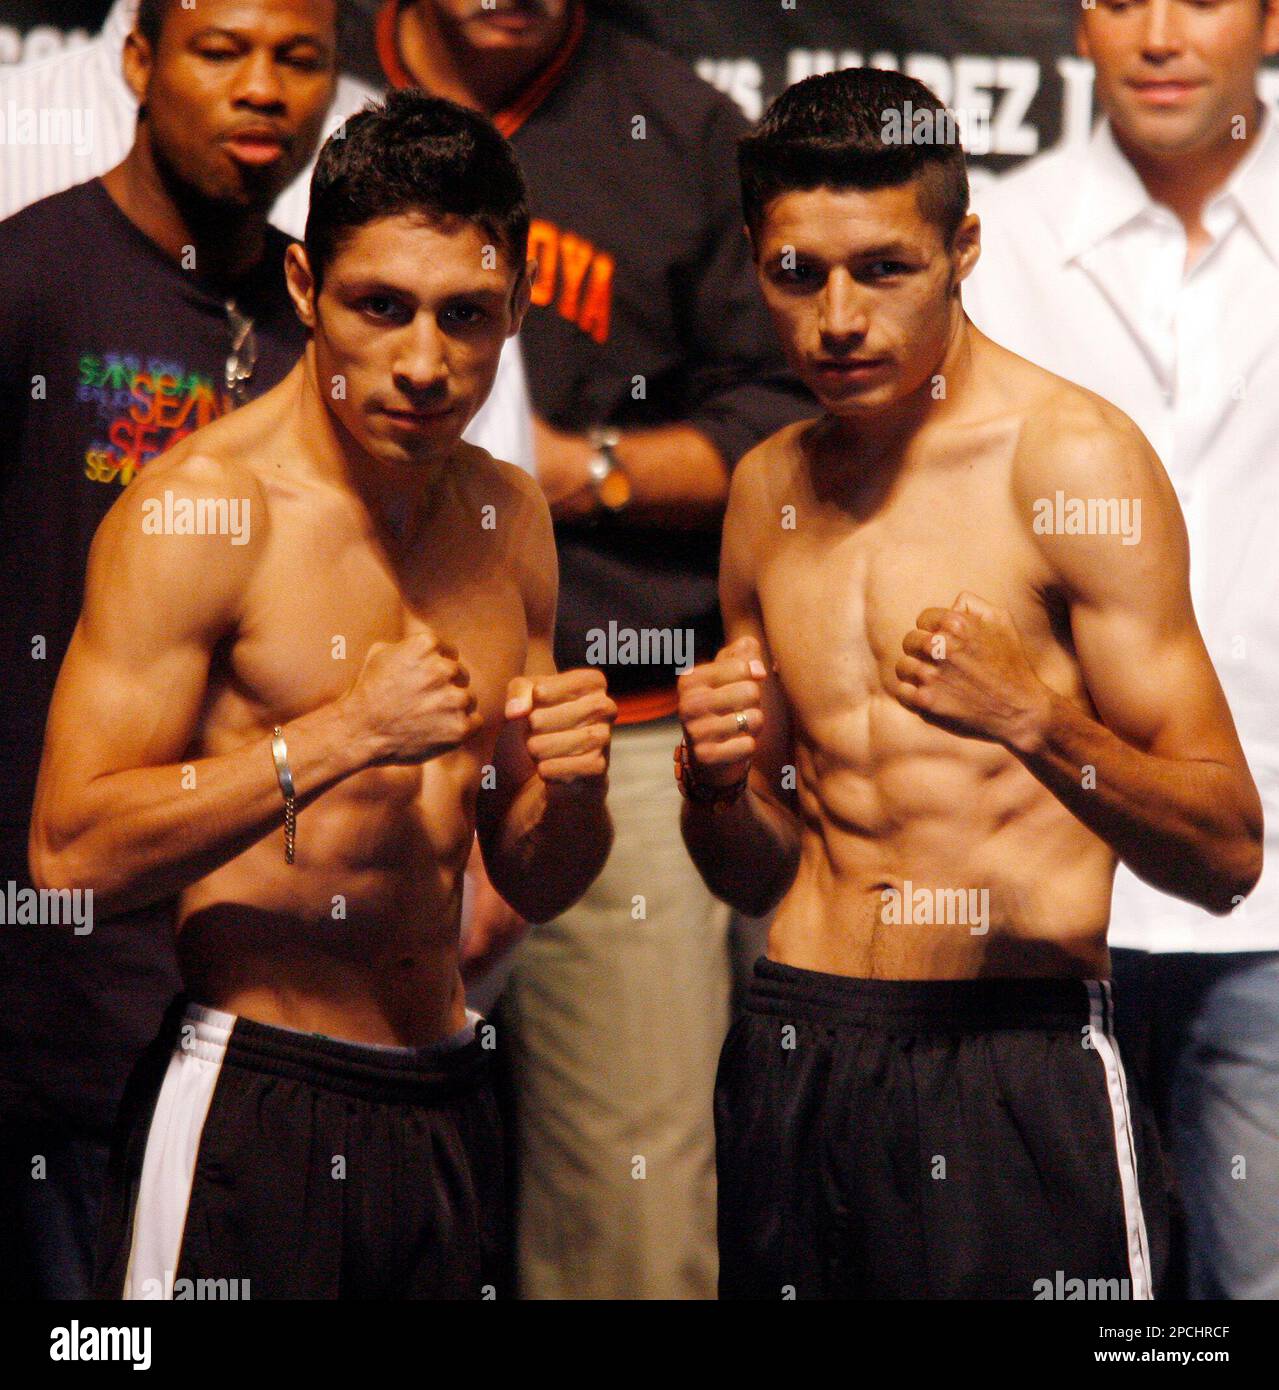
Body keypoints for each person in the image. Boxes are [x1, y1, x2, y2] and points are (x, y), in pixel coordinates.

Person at [677, 66, 1262, 1299]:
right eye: (797, 275)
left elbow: (1224, 850)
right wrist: (716, 788)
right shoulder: (764, 492)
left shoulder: (1067, 461)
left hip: (1012, 1061)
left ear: (962, 250)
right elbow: (760, 863)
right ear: (754, 261)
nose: (837, 319)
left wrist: (1037, 721)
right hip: (798, 1047)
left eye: (882, 269)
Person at [30, 88, 615, 1300]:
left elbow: (535, 874)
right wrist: (339, 736)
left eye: (465, 317)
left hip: (444, 1091)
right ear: (305, 290)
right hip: (250, 1100)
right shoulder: (204, 513)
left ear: (514, 308)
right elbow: (69, 852)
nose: (422, 362)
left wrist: (576, 790)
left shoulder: (508, 521)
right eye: (379, 307)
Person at [365, 0, 813, 1299]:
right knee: (333, 1183)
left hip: (606, 725)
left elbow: (786, 408)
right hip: (343, 731)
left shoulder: (677, 131)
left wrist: (592, 471)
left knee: (629, 1195)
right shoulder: (307, 82)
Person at [0, 0, 353, 1300]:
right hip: (52, 978)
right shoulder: (31, 282)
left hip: (261, 1002)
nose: (262, 89)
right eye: (222, 51)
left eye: (297, 58)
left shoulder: (337, 321)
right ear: (141, 64)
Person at [964, 0, 1279, 1300]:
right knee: (1055, 1283)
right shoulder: (986, 240)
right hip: (1034, 875)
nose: (1156, 33)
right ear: (1076, 23)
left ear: (1266, 18)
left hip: (1276, 893)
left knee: (1252, 1281)